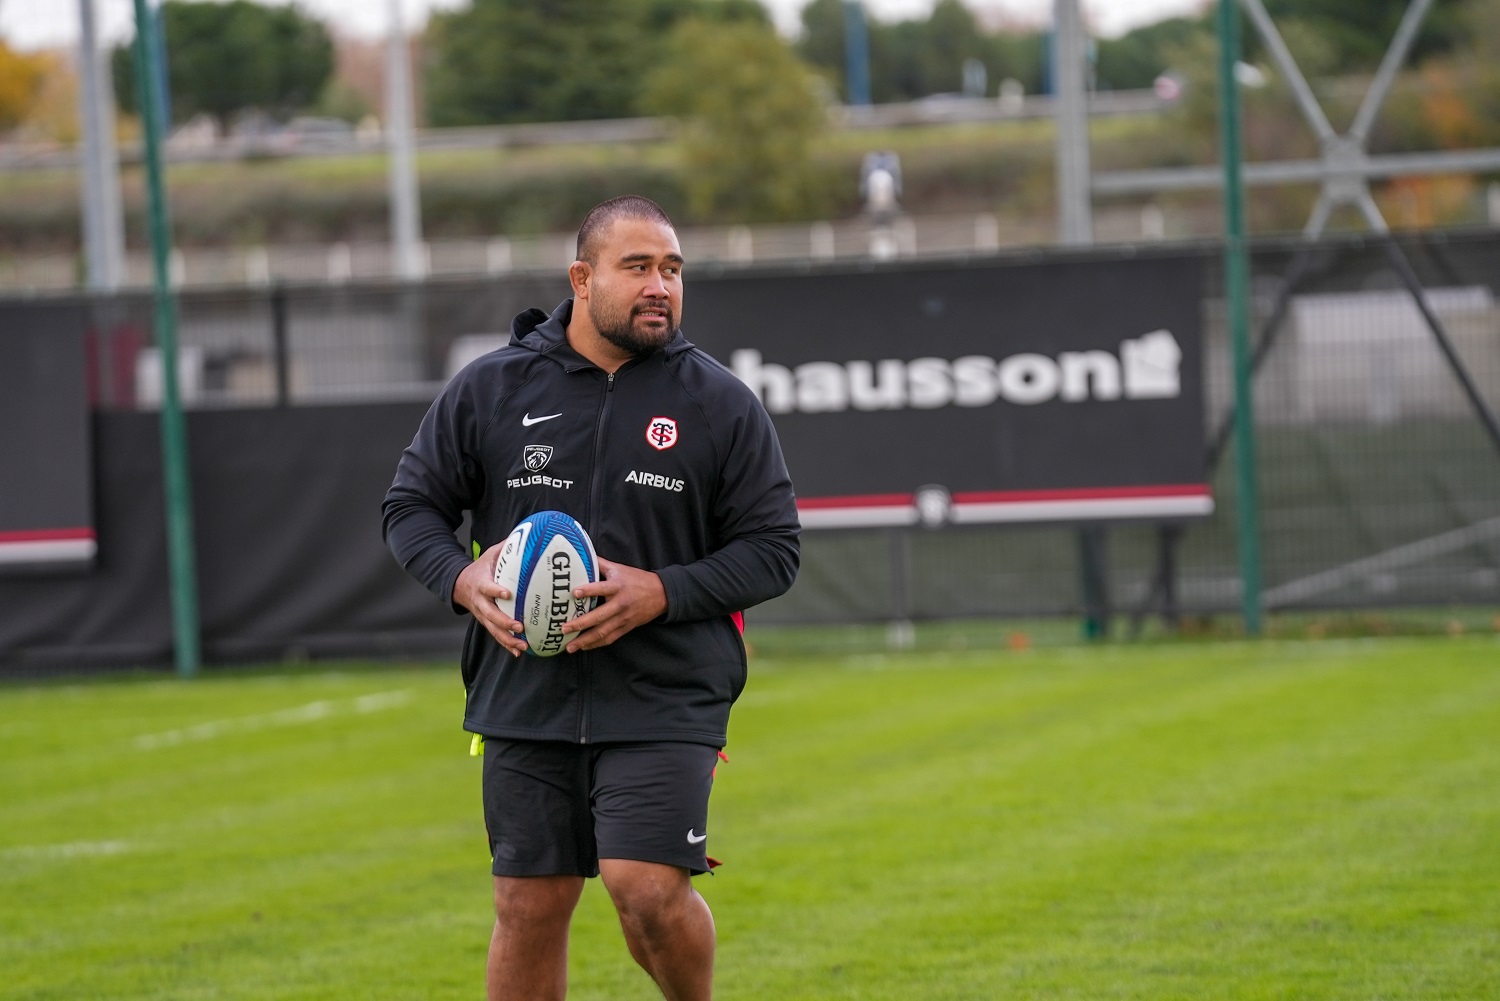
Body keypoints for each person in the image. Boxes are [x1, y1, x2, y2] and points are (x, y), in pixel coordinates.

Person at [382, 195, 800, 1001]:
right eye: (637, 266)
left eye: (672, 270)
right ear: (582, 278)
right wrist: (464, 579)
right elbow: (410, 507)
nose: (660, 286)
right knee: (528, 903)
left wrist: (662, 592)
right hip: (522, 688)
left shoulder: (720, 404)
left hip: (666, 687)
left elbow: (774, 550)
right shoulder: (492, 389)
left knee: (644, 886)